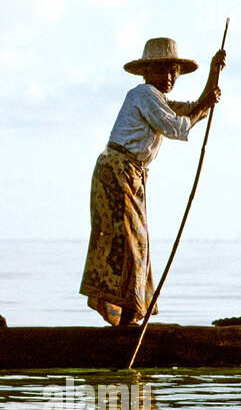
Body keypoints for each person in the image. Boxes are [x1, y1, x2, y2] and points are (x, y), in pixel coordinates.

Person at [79, 38, 225, 326]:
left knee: (137, 243)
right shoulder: (144, 93)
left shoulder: (159, 100)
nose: (169, 77)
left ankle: (129, 317)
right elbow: (176, 127)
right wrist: (202, 106)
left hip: (130, 174)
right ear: (146, 72)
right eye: (162, 71)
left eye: (173, 71)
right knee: (132, 243)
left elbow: (196, 108)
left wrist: (213, 72)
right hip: (117, 172)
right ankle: (129, 319)